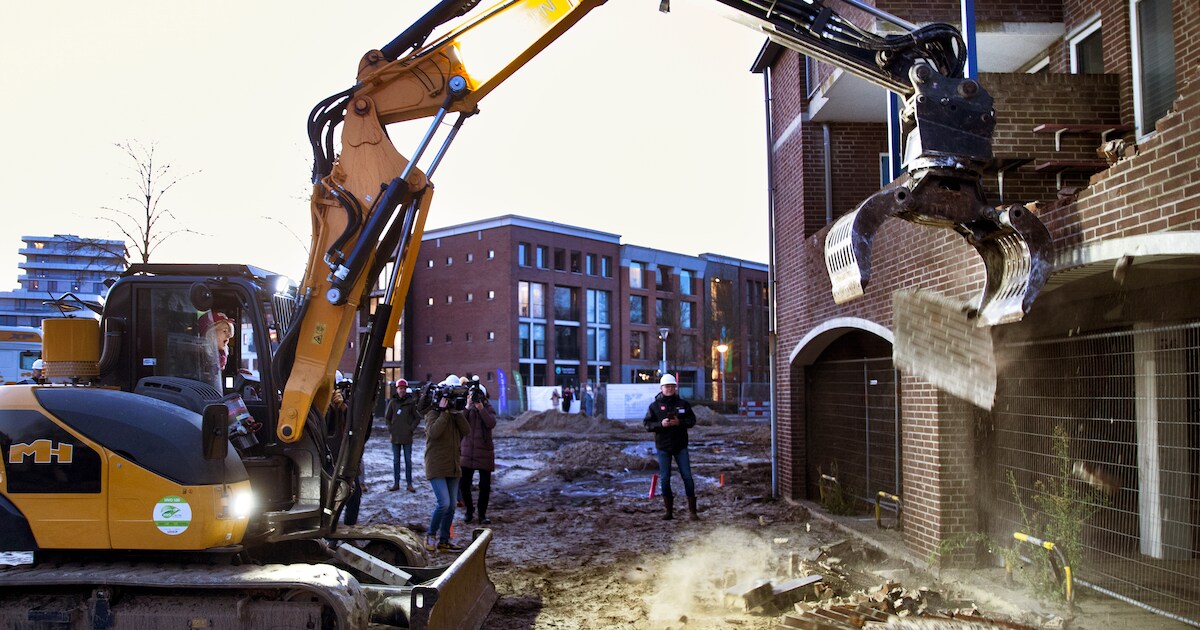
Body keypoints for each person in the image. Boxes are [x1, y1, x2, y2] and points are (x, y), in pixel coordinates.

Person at [423, 375, 471, 552]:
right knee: (443, 503)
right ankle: (430, 535)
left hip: (453, 465)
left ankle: (444, 540)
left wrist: (457, 413)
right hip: (436, 464)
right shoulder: (433, 413)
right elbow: (434, 433)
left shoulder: (455, 415)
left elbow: (466, 430)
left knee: (451, 505)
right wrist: (444, 412)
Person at [643, 373, 699, 521]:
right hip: (663, 447)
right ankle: (668, 511)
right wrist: (660, 425)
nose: (669, 389)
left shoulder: (683, 404)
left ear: (675, 387)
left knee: (687, 476)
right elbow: (647, 424)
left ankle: (692, 511)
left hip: (680, 446)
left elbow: (692, 420)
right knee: (665, 479)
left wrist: (679, 423)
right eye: (666, 386)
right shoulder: (654, 406)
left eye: (671, 386)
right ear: (661, 388)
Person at [326, 385, 364, 526]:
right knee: (332, 498)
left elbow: (356, 426)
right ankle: (329, 529)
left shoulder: (347, 407)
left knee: (354, 496)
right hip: (329, 460)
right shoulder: (320, 408)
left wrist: (342, 407)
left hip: (346, 459)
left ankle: (348, 528)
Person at [458, 387, 497, 525]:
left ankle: (482, 514)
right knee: (464, 484)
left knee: (484, 486)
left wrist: (481, 409)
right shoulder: (467, 408)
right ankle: (469, 510)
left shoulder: (488, 408)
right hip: (467, 451)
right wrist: (468, 407)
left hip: (484, 452)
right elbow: (459, 423)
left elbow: (491, 423)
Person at [385, 378, 421, 492]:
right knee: (396, 461)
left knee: (408, 461)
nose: (402, 391)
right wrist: (391, 428)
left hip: (407, 437)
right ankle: (396, 483)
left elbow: (417, 417)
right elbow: (387, 418)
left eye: (404, 388)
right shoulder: (392, 402)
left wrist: (411, 428)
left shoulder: (411, 403)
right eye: (400, 388)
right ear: (397, 389)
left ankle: (409, 484)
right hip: (395, 437)